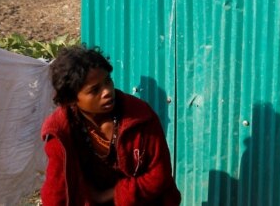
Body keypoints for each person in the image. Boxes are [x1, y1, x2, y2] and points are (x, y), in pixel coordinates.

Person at [41, 45, 181, 206]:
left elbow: (159, 175)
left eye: (108, 81)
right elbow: (56, 190)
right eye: (95, 90)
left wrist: (110, 194)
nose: (107, 91)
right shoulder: (61, 131)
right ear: (72, 98)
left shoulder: (140, 117)